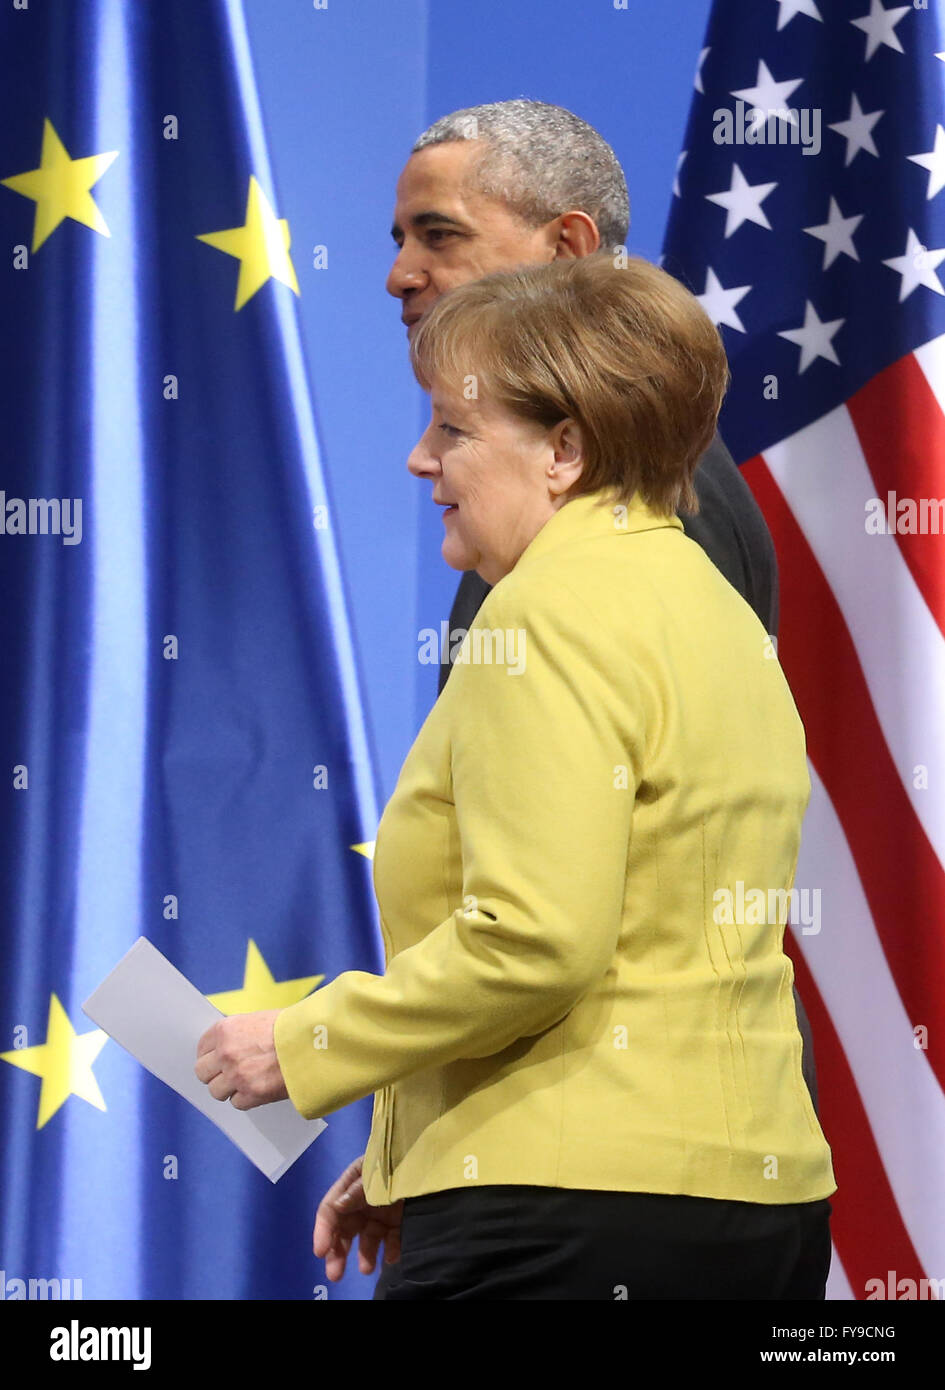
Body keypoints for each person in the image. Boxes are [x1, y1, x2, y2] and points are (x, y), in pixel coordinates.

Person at [195, 250, 836, 1300]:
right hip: (754, 1217)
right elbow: (647, 929)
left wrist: (305, 1042)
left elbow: (538, 940)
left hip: (564, 1226)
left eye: (452, 428)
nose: (419, 459)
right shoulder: (713, 607)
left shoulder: (545, 611)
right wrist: (416, 1157)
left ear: (564, 452)